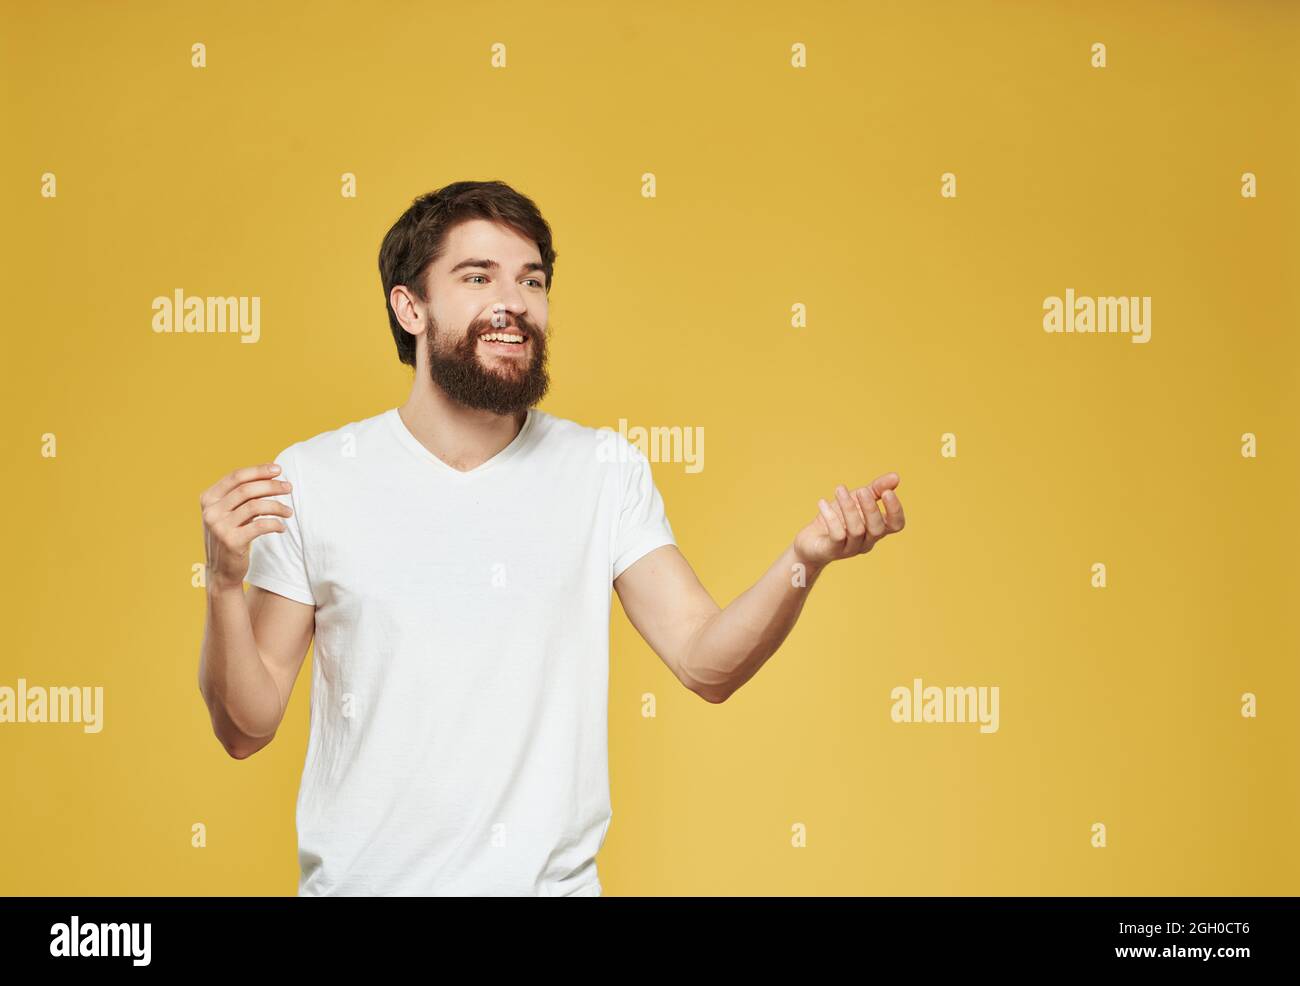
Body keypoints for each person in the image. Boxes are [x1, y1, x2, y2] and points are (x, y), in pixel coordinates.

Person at [196, 179, 906, 896]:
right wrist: (224, 584)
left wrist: (802, 562)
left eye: (531, 281)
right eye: (478, 277)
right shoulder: (315, 479)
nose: (513, 302)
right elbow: (245, 727)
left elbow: (706, 663)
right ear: (410, 307)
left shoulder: (602, 471)